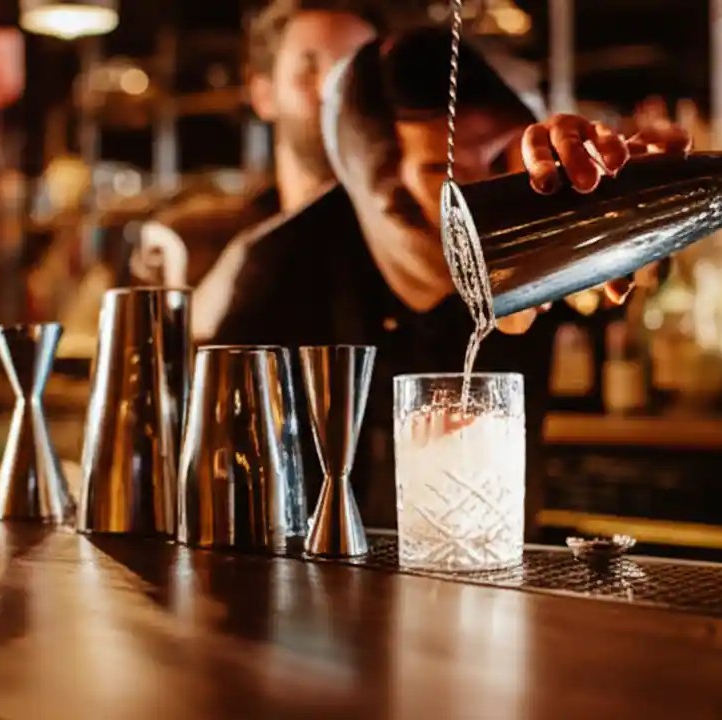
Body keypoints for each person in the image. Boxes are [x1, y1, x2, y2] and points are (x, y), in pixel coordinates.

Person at [196, 27, 688, 535]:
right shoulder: (271, 278)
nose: (477, 195)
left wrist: (643, 206)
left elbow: (635, 287)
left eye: (498, 158)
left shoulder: (528, 250)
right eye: (440, 171)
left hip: (498, 590)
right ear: (374, 187)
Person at [132, 0, 380, 286]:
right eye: (309, 70)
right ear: (263, 94)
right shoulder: (194, 247)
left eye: (355, 71)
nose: (333, 90)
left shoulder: (423, 243)